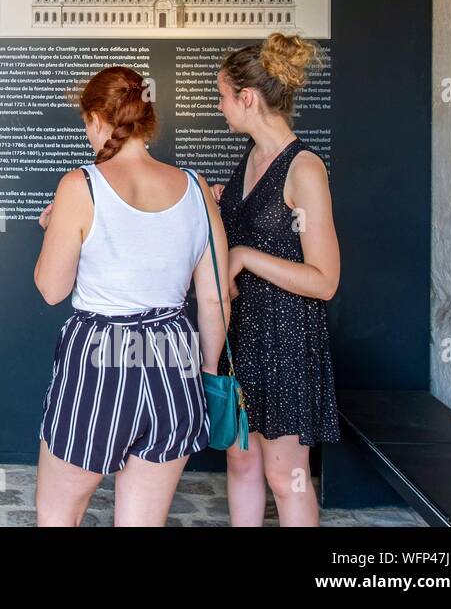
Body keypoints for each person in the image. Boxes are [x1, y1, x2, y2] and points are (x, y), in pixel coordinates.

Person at [33, 65, 228, 527]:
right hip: (173, 356)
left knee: (59, 513)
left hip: (100, 355)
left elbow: (51, 289)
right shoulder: (199, 189)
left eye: (86, 124)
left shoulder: (80, 186)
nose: (87, 135)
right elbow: (216, 298)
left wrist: (55, 225)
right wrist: (208, 372)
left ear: (99, 118)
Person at [211, 32, 341, 527]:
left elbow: (324, 279)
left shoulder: (304, 167)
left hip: (285, 340)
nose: (221, 108)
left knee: (287, 477)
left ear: (247, 97)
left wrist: (245, 254)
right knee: (241, 461)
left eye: (223, 96)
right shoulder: (248, 160)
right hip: (243, 336)